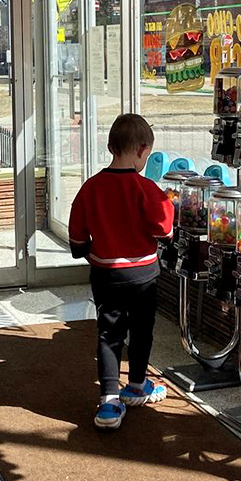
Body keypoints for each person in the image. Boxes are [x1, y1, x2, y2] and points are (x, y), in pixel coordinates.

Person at [68, 113, 174, 430]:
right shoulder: (146, 188)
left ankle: (109, 402)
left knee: (109, 333)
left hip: (105, 274)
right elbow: (164, 230)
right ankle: (138, 385)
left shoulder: (90, 188)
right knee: (141, 330)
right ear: (142, 150)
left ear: (111, 146)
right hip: (143, 275)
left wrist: (87, 251)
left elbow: (77, 235)